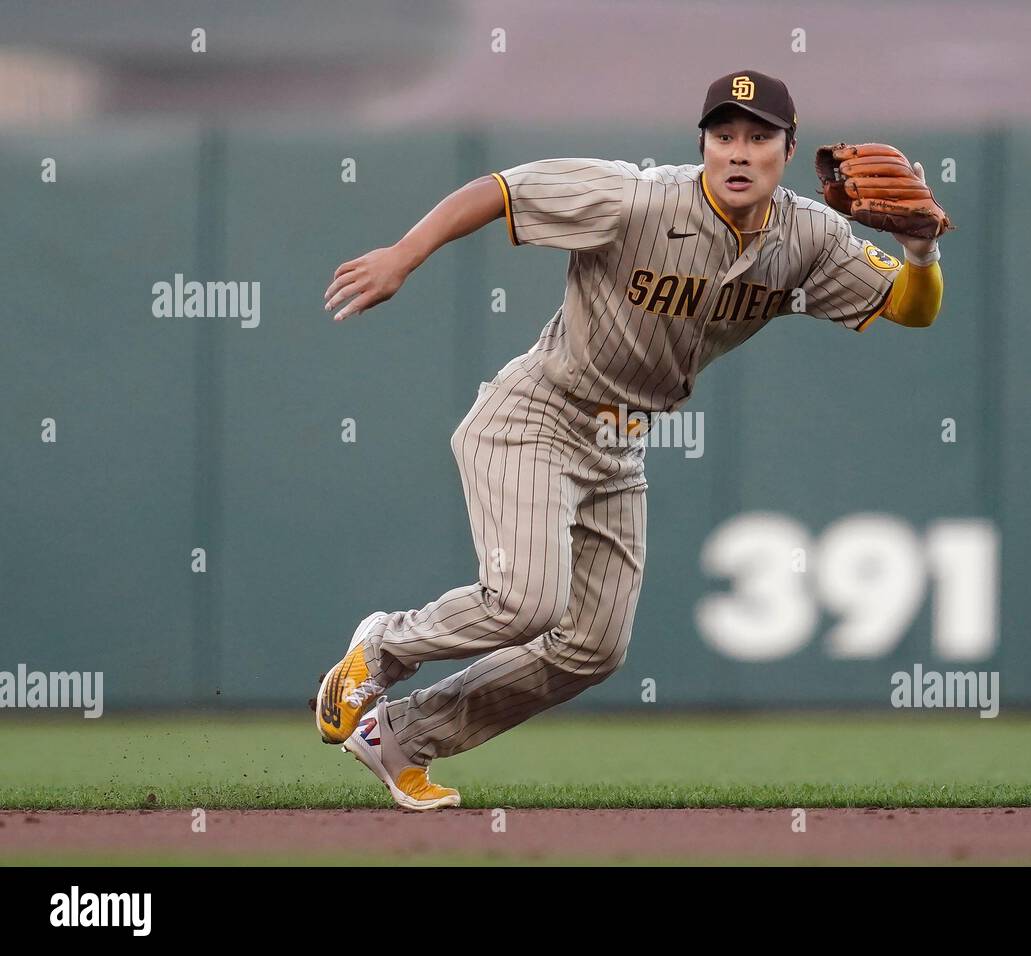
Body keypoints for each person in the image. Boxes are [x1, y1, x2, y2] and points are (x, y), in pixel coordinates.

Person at [314, 69, 944, 810]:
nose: (739, 152)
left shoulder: (809, 237)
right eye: (724, 135)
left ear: (789, 147)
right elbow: (502, 190)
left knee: (593, 649)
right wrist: (403, 254)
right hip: (536, 417)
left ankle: (402, 738)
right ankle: (382, 647)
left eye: (759, 137)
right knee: (527, 603)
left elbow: (911, 309)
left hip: (619, 445)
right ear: (704, 144)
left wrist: (921, 251)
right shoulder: (634, 198)